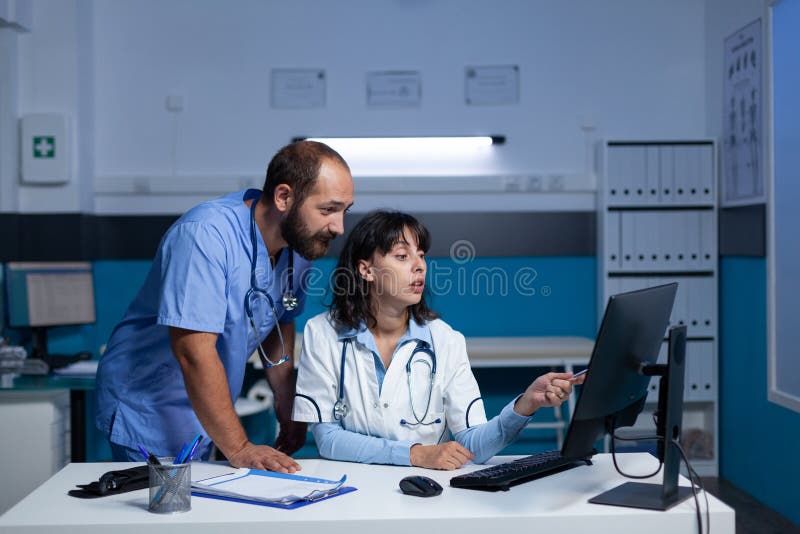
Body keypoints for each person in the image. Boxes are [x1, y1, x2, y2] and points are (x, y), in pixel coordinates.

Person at [95, 140, 354, 472]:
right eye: (328, 210)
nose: (339, 227)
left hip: (205, 409)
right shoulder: (204, 235)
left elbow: (279, 319)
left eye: (345, 211)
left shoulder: (299, 247)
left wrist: (286, 399)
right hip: (151, 405)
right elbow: (193, 351)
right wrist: (240, 447)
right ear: (283, 197)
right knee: (168, 516)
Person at [292, 210, 585, 470]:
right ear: (366, 269)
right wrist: (416, 454)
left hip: (423, 496)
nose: (419, 266)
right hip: (352, 495)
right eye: (402, 256)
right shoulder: (322, 334)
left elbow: (473, 445)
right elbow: (328, 439)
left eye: (421, 255)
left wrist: (526, 405)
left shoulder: (445, 339)